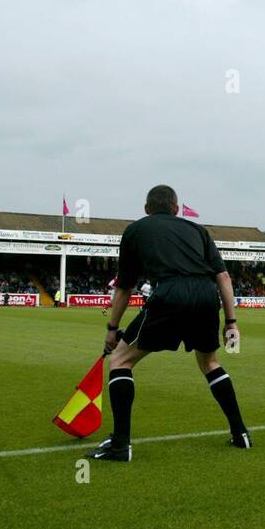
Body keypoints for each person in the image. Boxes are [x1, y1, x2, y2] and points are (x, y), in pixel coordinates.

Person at [92, 184, 250, 463]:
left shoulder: (136, 230)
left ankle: (120, 445)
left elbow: (125, 287)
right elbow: (223, 277)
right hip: (205, 296)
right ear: (176, 209)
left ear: (146, 209)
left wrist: (112, 329)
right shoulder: (199, 230)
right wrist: (232, 322)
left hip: (169, 292)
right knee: (210, 363)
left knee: (120, 361)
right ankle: (241, 434)